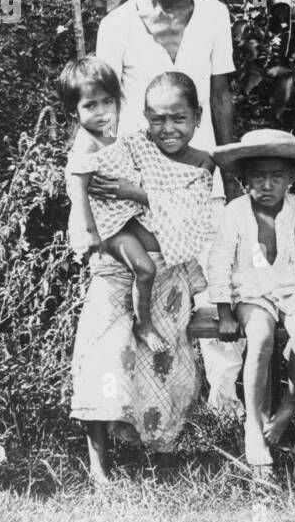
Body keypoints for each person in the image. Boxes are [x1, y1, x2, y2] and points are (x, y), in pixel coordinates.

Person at [99, 0, 244, 414]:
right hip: (144, 186)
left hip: (203, 177)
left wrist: (231, 171)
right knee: (152, 291)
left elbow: (221, 96)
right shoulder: (116, 25)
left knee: (220, 280)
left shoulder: (213, 14)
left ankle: (226, 400)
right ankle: (150, 411)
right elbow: (107, 114)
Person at [68, 72, 219, 485]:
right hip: (118, 272)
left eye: (178, 118)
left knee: (168, 371)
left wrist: (136, 192)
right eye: (156, 118)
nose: (167, 129)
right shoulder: (131, 148)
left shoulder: (203, 164)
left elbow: (194, 223)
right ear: (143, 117)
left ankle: (163, 456)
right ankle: (100, 467)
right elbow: (86, 187)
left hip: (168, 279)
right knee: (106, 358)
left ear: (197, 117)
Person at [208, 130, 295, 471]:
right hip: (250, 292)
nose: (267, 185)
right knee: (260, 336)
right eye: (258, 177)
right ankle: (253, 424)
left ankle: (288, 408)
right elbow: (219, 262)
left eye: (276, 176)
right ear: (244, 179)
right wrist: (224, 313)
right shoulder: (235, 212)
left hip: (290, 290)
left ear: (291, 178)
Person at [58, 56, 166, 351]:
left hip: (126, 214)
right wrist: (91, 233)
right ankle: (144, 325)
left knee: (167, 246)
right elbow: (78, 189)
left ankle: (170, 307)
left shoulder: (111, 133)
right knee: (145, 268)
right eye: (90, 106)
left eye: (108, 102)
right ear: (74, 113)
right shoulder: (86, 144)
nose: (103, 112)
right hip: (107, 226)